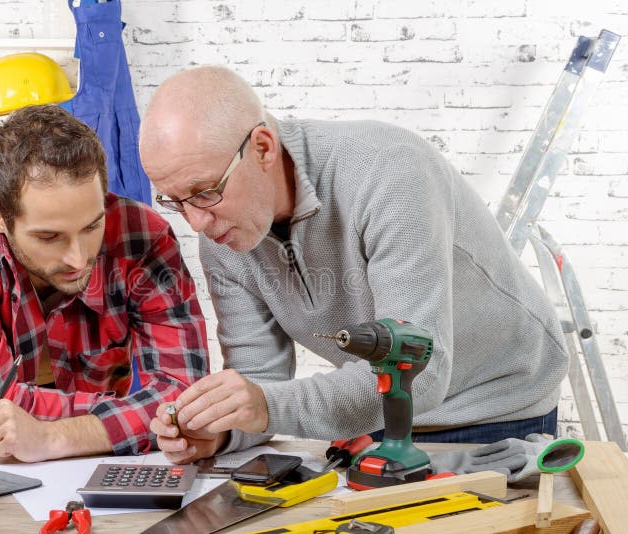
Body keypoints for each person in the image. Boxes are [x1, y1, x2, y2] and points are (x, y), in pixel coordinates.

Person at [139, 66, 569, 464]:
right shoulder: (224, 230)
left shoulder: (389, 172)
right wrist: (223, 429)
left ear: (263, 148)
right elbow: (259, 379)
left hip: (494, 408)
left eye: (204, 191)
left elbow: (417, 370)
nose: (196, 221)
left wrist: (266, 406)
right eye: (174, 201)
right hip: (381, 418)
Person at [0, 105, 208, 462]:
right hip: (3, 467)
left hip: (103, 459)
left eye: (91, 227)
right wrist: (136, 414)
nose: (77, 258)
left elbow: (184, 399)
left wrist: (55, 437)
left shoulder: (145, 238)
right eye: (49, 236)